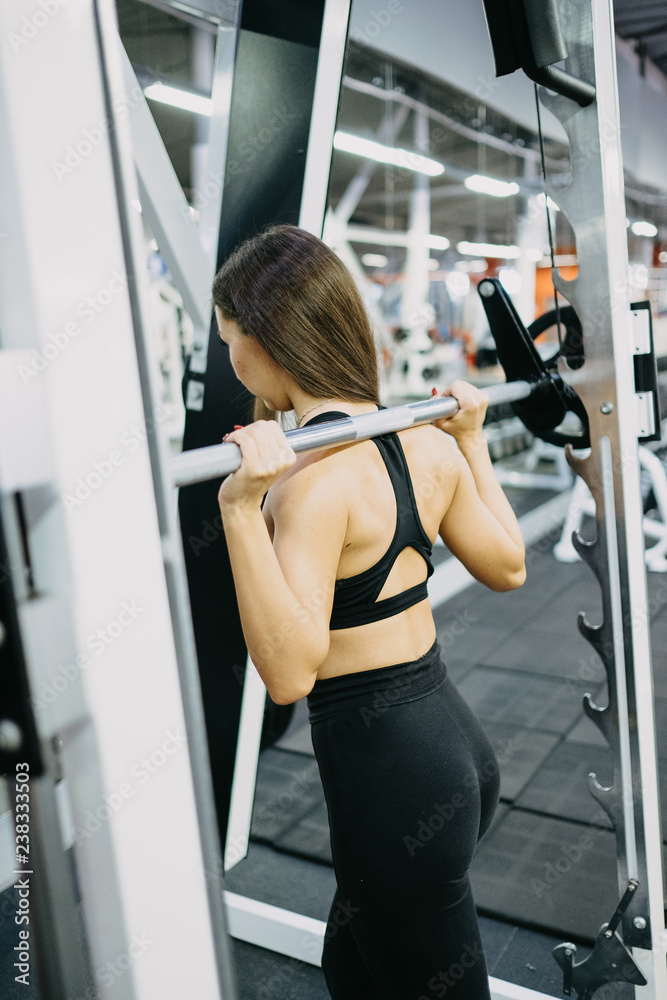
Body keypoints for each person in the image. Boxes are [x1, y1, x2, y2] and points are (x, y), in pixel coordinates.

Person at [212, 224, 526, 999]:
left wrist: (240, 513)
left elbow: (288, 674)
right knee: (353, 968)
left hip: (393, 782)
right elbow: (508, 566)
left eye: (230, 340)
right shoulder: (426, 445)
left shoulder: (310, 487)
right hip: (448, 748)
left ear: (267, 341)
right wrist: (473, 442)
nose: (229, 361)